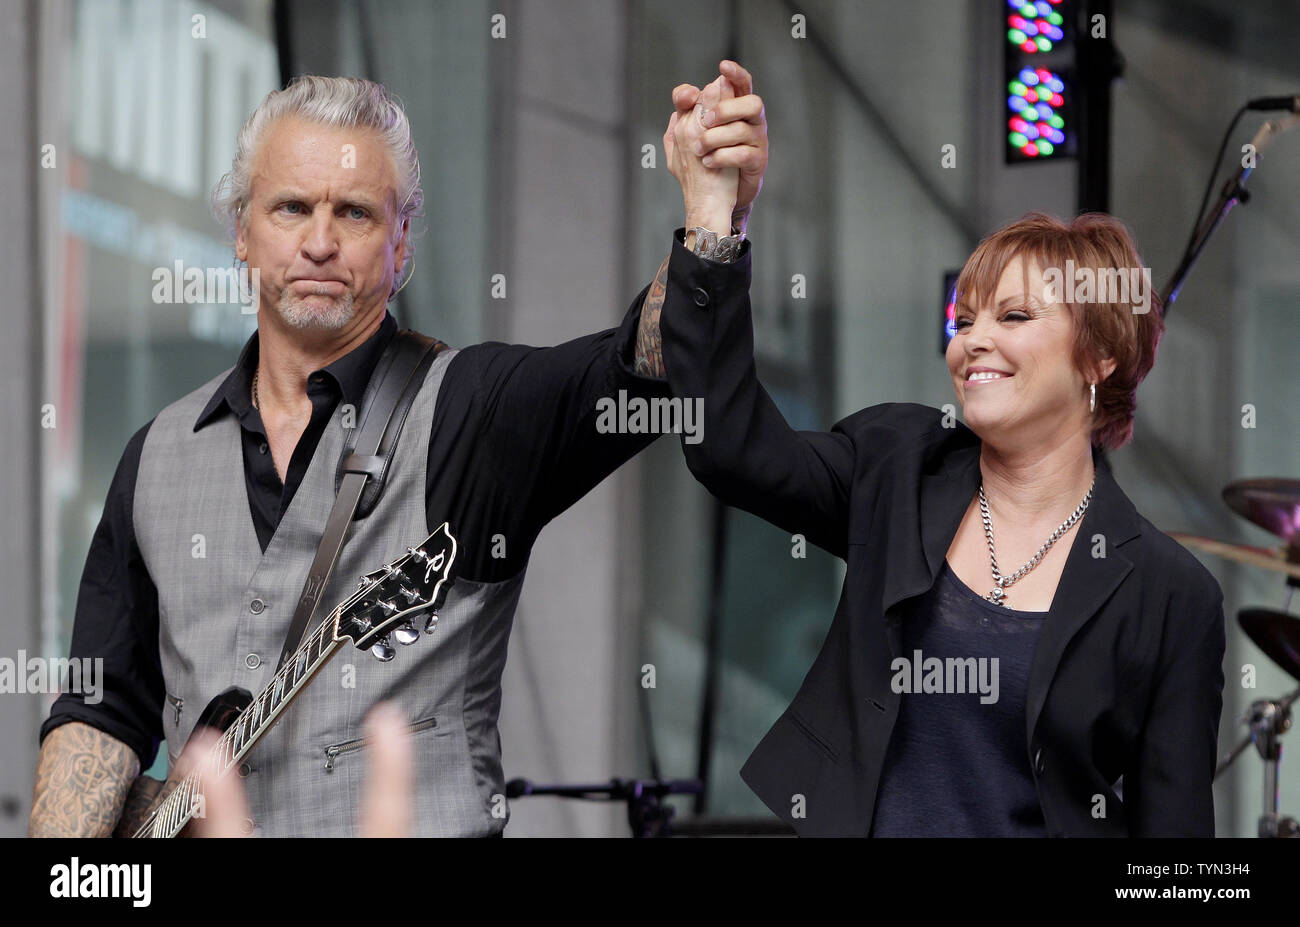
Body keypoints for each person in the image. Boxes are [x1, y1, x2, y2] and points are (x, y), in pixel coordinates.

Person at [29, 66, 767, 837]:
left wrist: (712, 216)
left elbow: (642, 367)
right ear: (242, 230)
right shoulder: (157, 455)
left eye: (353, 212)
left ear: (401, 239)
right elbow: (102, 709)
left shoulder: (471, 412)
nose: (320, 241)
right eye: (291, 207)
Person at [658, 69, 1226, 836]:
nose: (972, 342)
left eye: (1014, 315)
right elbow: (728, 445)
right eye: (965, 318)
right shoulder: (898, 462)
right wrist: (713, 215)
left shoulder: (1170, 595)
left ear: (1099, 357)